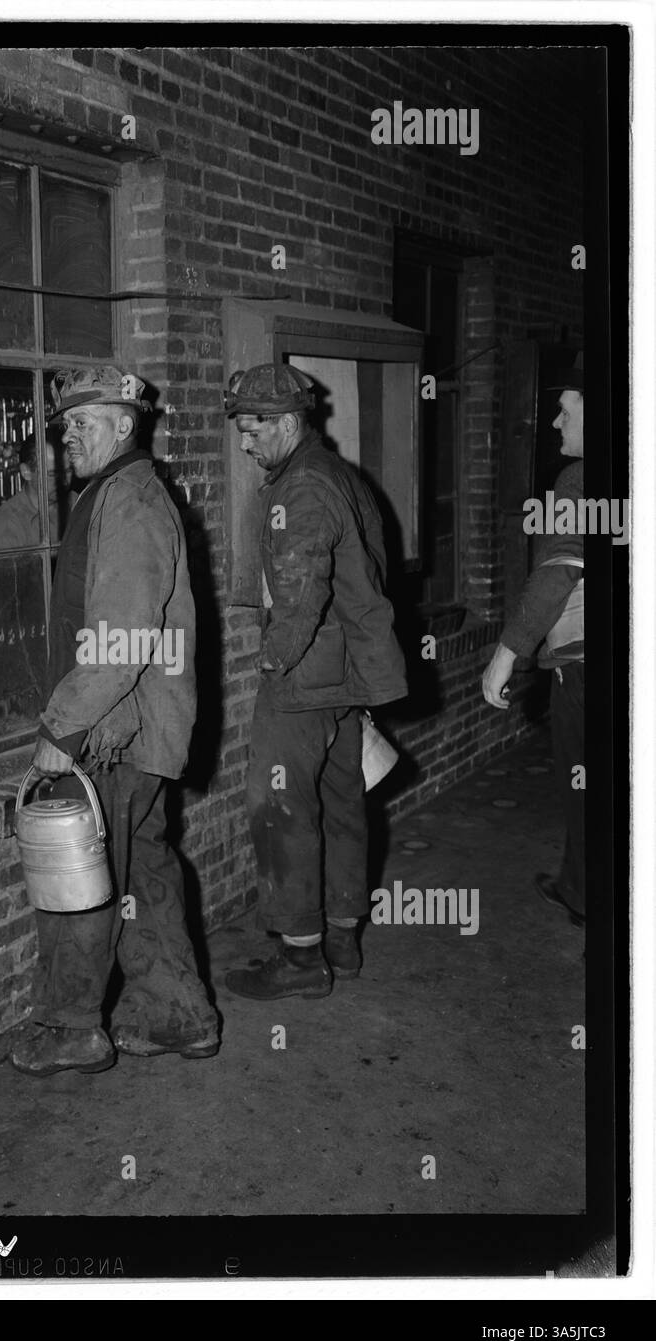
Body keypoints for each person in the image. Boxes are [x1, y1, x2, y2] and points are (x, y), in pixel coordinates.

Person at [10, 366, 219, 1077]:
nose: (69, 437)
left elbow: (122, 638)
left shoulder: (127, 499)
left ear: (124, 425)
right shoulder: (117, 493)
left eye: (84, 423)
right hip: (139, 729)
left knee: (80, 875)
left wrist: (59, 733)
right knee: (144, 868)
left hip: (111, 733)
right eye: (64, 426)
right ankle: (176, 1016)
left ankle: (70, 1026)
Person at [222, 363, 408, 1001]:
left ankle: (300, 956)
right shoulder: (339, 476)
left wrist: (274, 660)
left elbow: (301, 591)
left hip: (306, 679)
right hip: (346, 680)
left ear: (285, 422)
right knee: (342, 804)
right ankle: (341, 938)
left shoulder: (301, 486)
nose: (245, 443)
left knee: (276, 805)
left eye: (252, 430)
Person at [481, 351, 585, 927]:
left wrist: (505, 655)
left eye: (564, 409)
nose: (555, 422)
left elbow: (558, 571)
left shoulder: (583, 477)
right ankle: (579, 886)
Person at [0, 439, 64, 550]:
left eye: (68, 471)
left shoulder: (79, 503)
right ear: (26, 472)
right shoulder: (3, 523)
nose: (63, 481)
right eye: (52, 474)